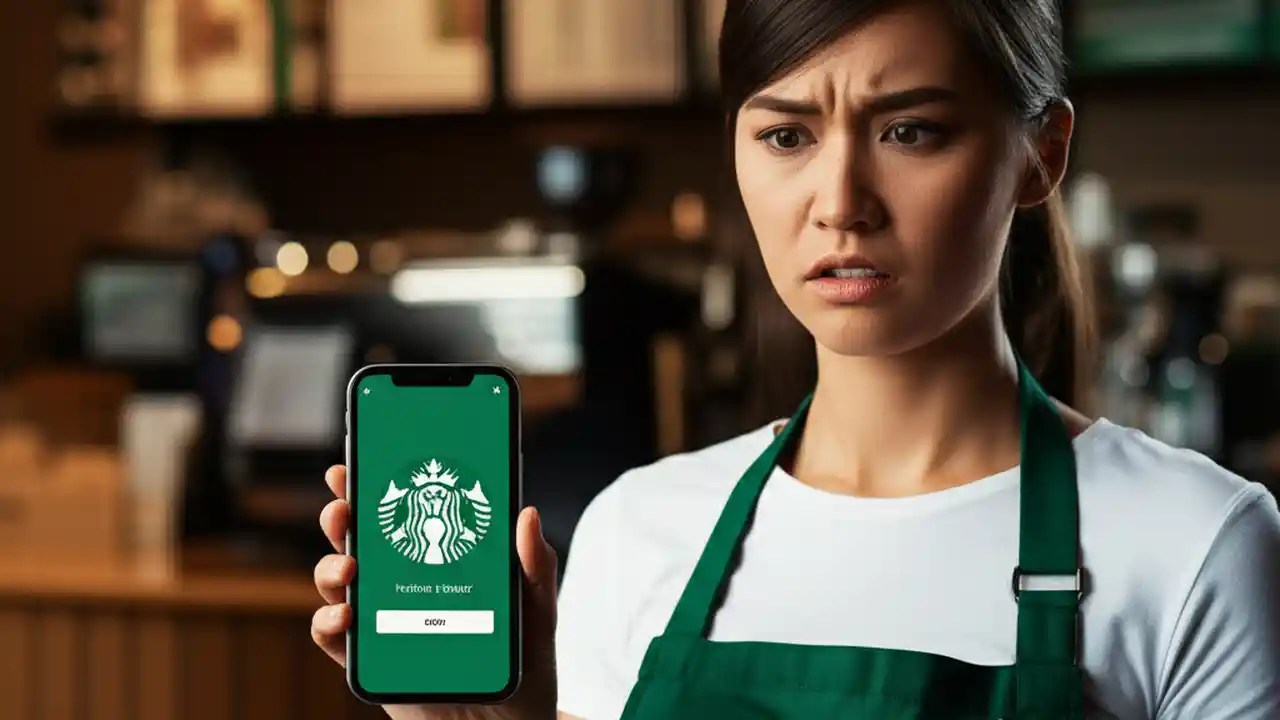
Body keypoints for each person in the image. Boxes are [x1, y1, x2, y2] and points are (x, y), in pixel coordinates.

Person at [309, 1, 1280, 718]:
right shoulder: (635, 537)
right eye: (785, 135)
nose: (839, 199)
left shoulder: (1192, 544)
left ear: (1040, 152)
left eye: (908, 130)